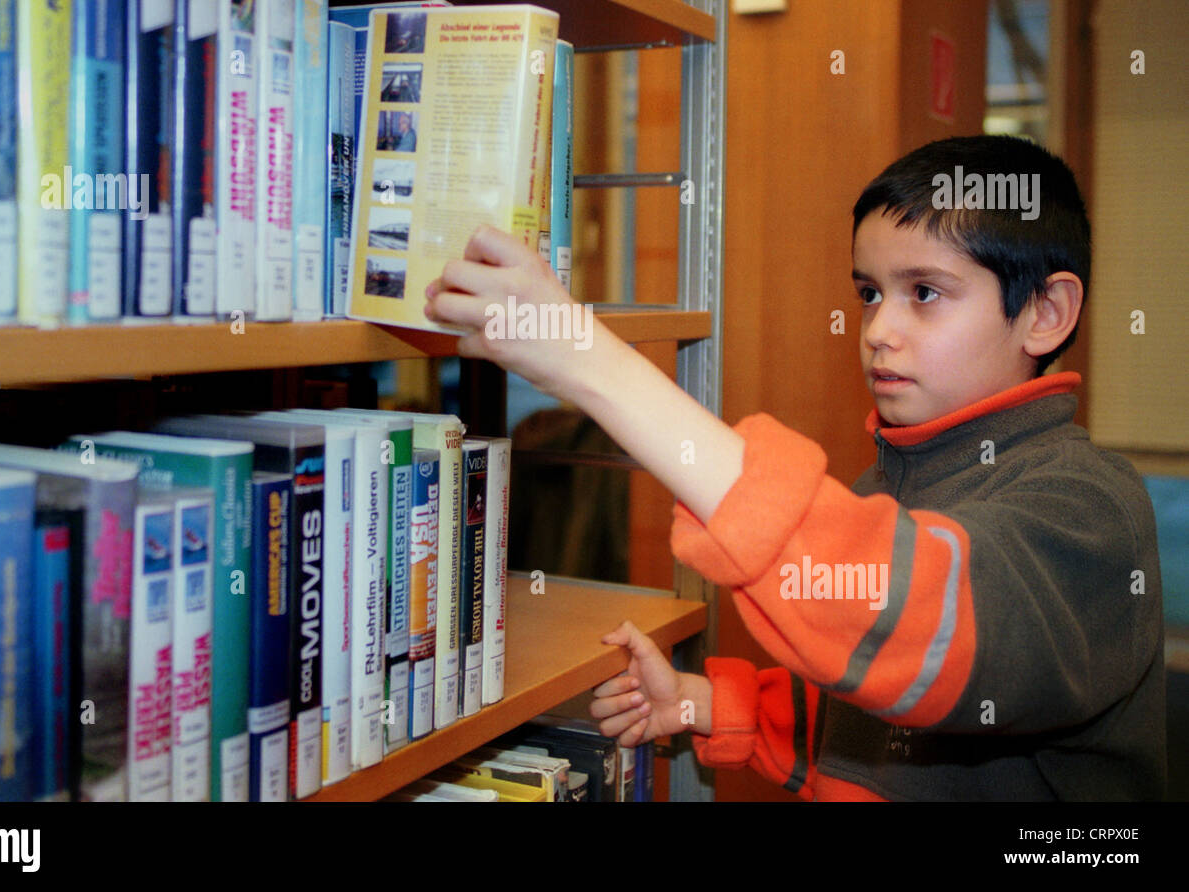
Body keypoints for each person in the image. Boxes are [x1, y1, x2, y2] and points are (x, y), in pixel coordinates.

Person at [423, 134, 1165, 801]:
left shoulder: (1091, 505)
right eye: (869, 293)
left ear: (1046, 313)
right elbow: (869, 713)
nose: (878, 330)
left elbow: (921, 634)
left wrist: (589, 361)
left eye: (925, 294)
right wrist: (707, 704)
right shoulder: (883, 487)